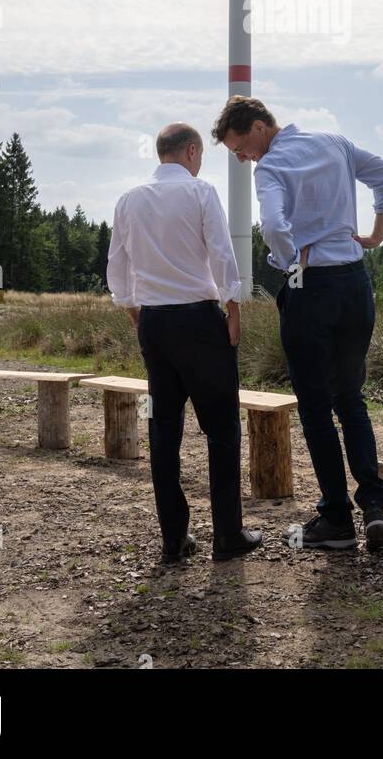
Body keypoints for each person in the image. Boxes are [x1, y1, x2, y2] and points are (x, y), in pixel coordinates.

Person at [212, 96, 383, 551]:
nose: (242, 158)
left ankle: (336, 518)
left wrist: (289, 262)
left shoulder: (271, 167)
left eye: (240, 148)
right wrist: (376, 235)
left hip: (311, 284)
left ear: (259, 127)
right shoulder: (333, 142)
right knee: (351, 400)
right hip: (356, 283)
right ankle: (374, 508)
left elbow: (274, 225)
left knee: (316, 409)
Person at [106, 122, 262, 564]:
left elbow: (117, 265)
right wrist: (232, 307)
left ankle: (173, 538)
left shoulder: (128, 199)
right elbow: (221, 250)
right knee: (222, 429)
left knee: (164, 430)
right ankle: (227, 535)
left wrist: (136, 311)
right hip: (198, 321)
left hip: (155, 324)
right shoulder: (200, 192)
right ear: (191, 151)